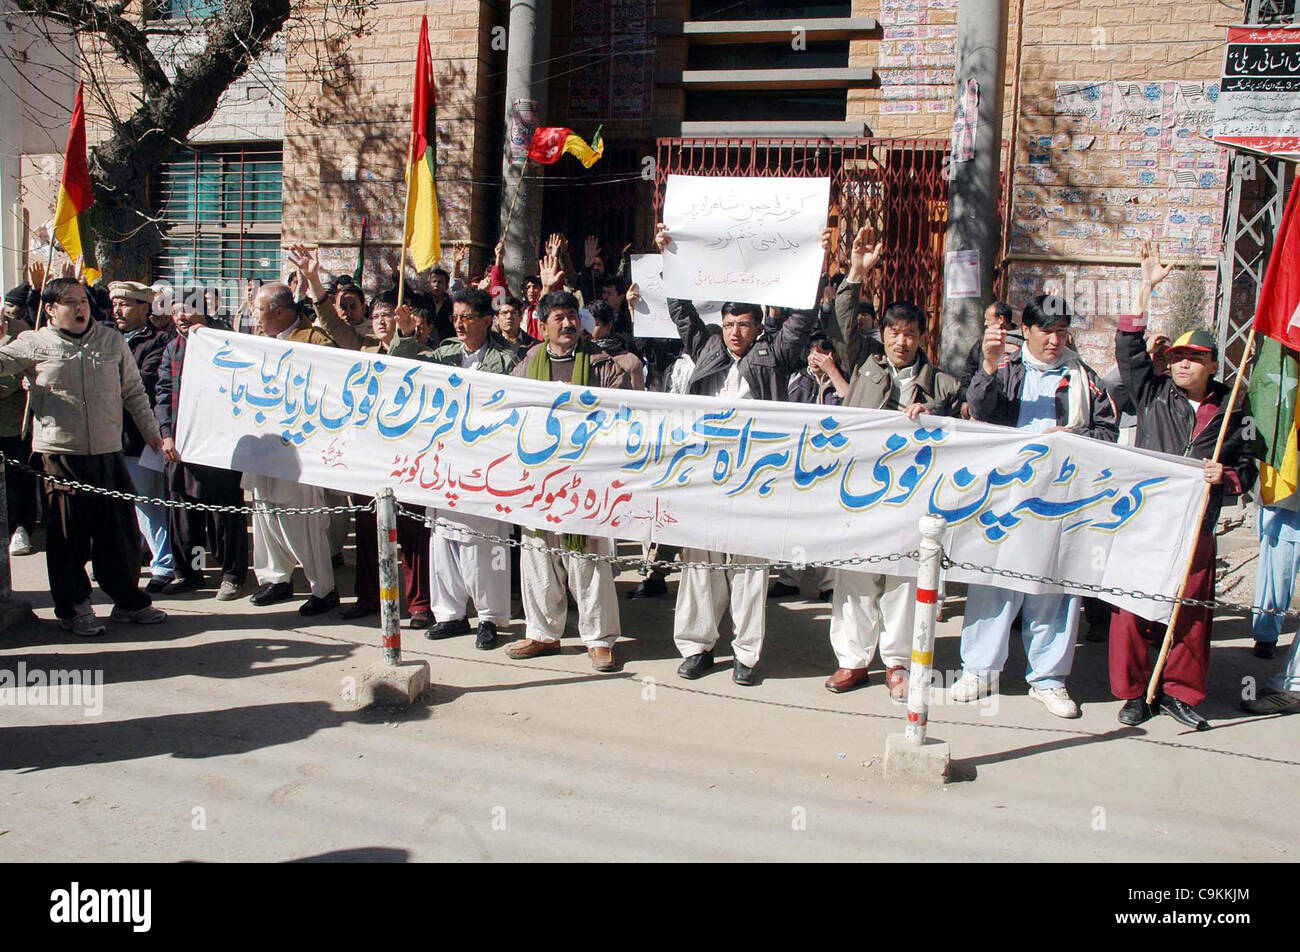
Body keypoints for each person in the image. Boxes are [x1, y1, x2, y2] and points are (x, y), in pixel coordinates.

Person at [656, 222, 824, 686]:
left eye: (743, 324)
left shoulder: (776, 351)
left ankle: (746, 655)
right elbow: (681, 311)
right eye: (728, 324)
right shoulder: (708, 347)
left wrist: (819, 261)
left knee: (750, 569)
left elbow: (802, 316)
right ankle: (696, 647)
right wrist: (669, 253)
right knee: (700, 564)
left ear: (757, 326)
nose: (734, 332)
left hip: (756, 476)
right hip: (707, 474)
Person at [1109, 243, 1256, 730]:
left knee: (1190, 617)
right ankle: (1134, 692)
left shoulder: (1234, 407)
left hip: (1198, 528)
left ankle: (1177, 691)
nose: (1183, 364)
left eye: (1195, 358)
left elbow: (1250, 464)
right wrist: (1144, 290)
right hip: (1148, 521)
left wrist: (1228, 477)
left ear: (1213, 364)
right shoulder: (1151, 394)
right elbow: (1129, 351)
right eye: (1177, 358)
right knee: (1132, 609)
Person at [957, 292, 1118, 718]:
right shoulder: (1007, 370)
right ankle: (978, 670)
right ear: (1025, 330)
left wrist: (1073, 440)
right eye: (1046, 330)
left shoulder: (1085, 379)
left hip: (1060, 500)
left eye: (1062, 331)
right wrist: (988, 366)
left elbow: (1107, 432)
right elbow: (981, 411)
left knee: (1055, 590)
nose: (1054, 340)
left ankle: (1048, 679)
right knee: (993, 581)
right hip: (1006, 496)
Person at [819, 227, 963, 697]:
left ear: (923, 338)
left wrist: (933, 415)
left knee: (904, 582)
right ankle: (852, 660)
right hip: (860, 489)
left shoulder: (941, 383)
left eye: (910, 334)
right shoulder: (864, 363)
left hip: (912, 498)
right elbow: (839, 325)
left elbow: (961, 428)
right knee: (856, 577)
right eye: (894, 333)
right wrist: (856, 275)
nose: (901, 342)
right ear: (882, 335)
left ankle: (897, 664)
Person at [0, 276, 167, 635]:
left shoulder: (110, 340)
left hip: (108, 452)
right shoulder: (35, 343)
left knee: (120, 536)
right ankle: (74, 607)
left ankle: (127, 601)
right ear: (49, 309)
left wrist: (152, 433)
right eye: (70, 302)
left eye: (84, 301)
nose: (80, 308)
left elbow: (134, 391)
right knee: (67, 538)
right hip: (59, 455)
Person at [505, 289, 642, 672]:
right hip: (540, 480)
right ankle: (542, 633)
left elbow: (622, 418)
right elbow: (511, 410)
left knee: (588, 563)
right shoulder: (528, 362)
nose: (567, 324)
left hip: (585, 482)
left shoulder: (601, 365)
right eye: (558, 317)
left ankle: (598, 639)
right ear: (543, 324)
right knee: (539, 558)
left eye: (572, 317)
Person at [390, 287, 521, 650]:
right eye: (456, 317)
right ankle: (450, 614)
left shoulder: (508, 359)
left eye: (467, 317)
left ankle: (490, 618)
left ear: (486, 320)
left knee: (485, 545)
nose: (460, 324)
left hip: (487, 464)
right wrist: (403, 334)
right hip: (446, 462)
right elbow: (405, 367)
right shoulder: (446, 353)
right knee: (443, 538)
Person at [243, 280, 340, 616]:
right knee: (265, 515)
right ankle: (276, 579)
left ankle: (322, 588)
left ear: (281, 311)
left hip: (299, 446)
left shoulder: (313, 339)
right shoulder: (255, 344)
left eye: (259, 308)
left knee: (304, 521)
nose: (255, 315)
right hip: (262, 444)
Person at [154, 298, 250, 599]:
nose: (181, 315)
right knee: (185, 516)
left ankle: (231, 574)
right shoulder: (173, 348)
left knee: (223, 516)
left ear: (204, 310)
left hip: (218, 446)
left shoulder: (226, 341)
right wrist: (166, 433)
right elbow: (163, 393)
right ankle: (191, 572)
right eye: (175, 310)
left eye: (187, 308)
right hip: (181, 448)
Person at [110, 280, 176, 594]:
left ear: (143, 307)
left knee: (149, 504)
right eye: (115, 304)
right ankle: (126, 561)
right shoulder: (104, 338)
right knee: (119, 507)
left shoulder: (158, 341)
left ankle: (163, 565)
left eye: (125, 304)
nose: (118, 310)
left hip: (140, 437)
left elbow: (144, 383)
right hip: (107, 437)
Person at [0, 297, 35, 558]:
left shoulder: (16, 338)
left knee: (15, 483)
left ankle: (19, 529)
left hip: (10, 427)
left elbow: (8, 382)